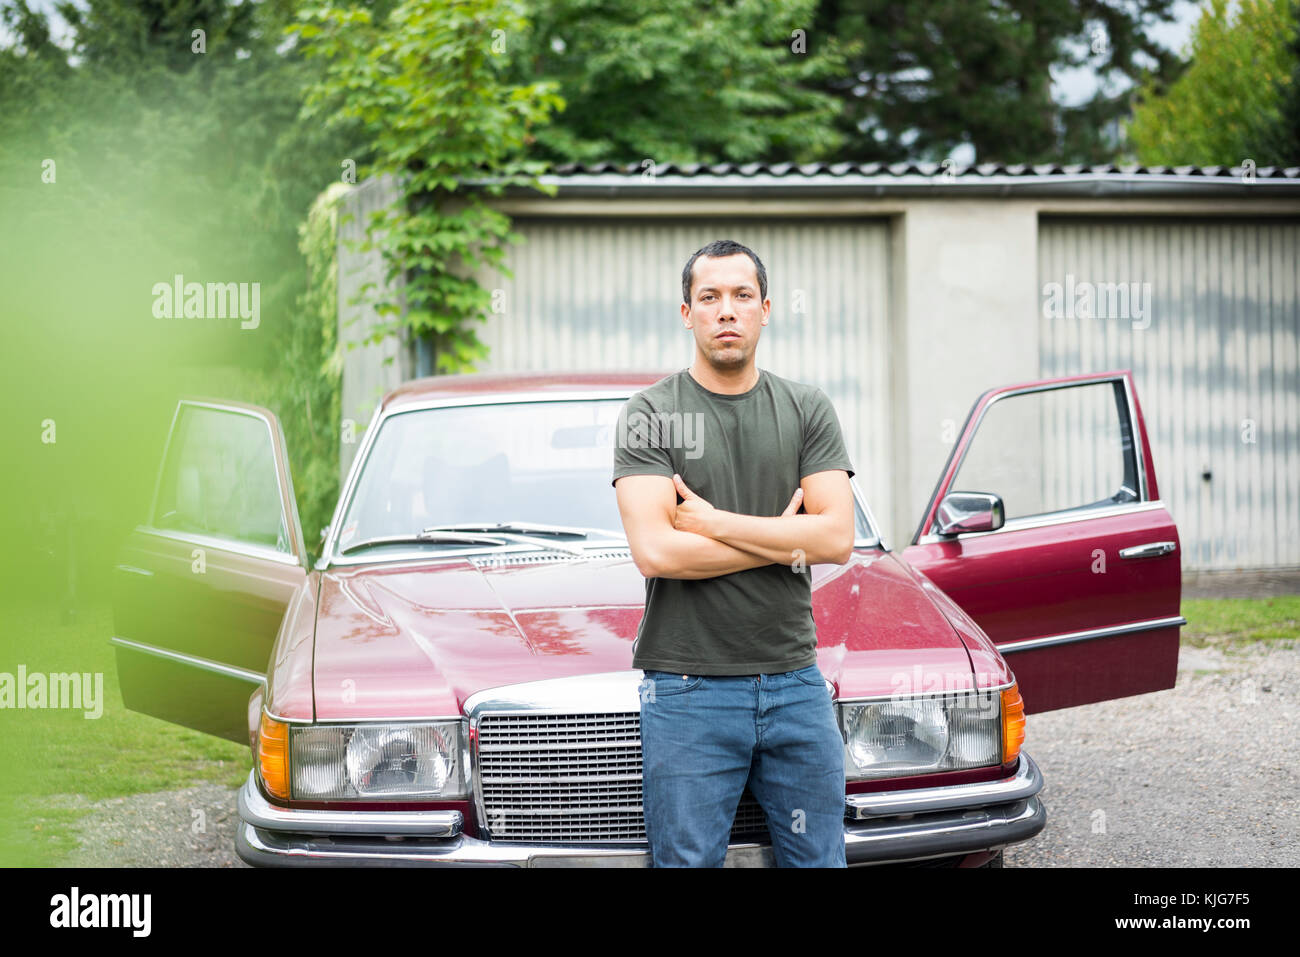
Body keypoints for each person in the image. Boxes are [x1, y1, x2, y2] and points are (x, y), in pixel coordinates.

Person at [611, 238, 856, 867]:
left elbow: (835, 540)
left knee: (820, 861)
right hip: (688, 689)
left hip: (795, 680)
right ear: (686, 313)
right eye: (709, 297)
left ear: (765, 310)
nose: (726, 310)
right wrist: (783, 540)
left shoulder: (806, 409)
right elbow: (657, 553)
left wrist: (716, 523)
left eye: (742, 295)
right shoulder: (650, 414)